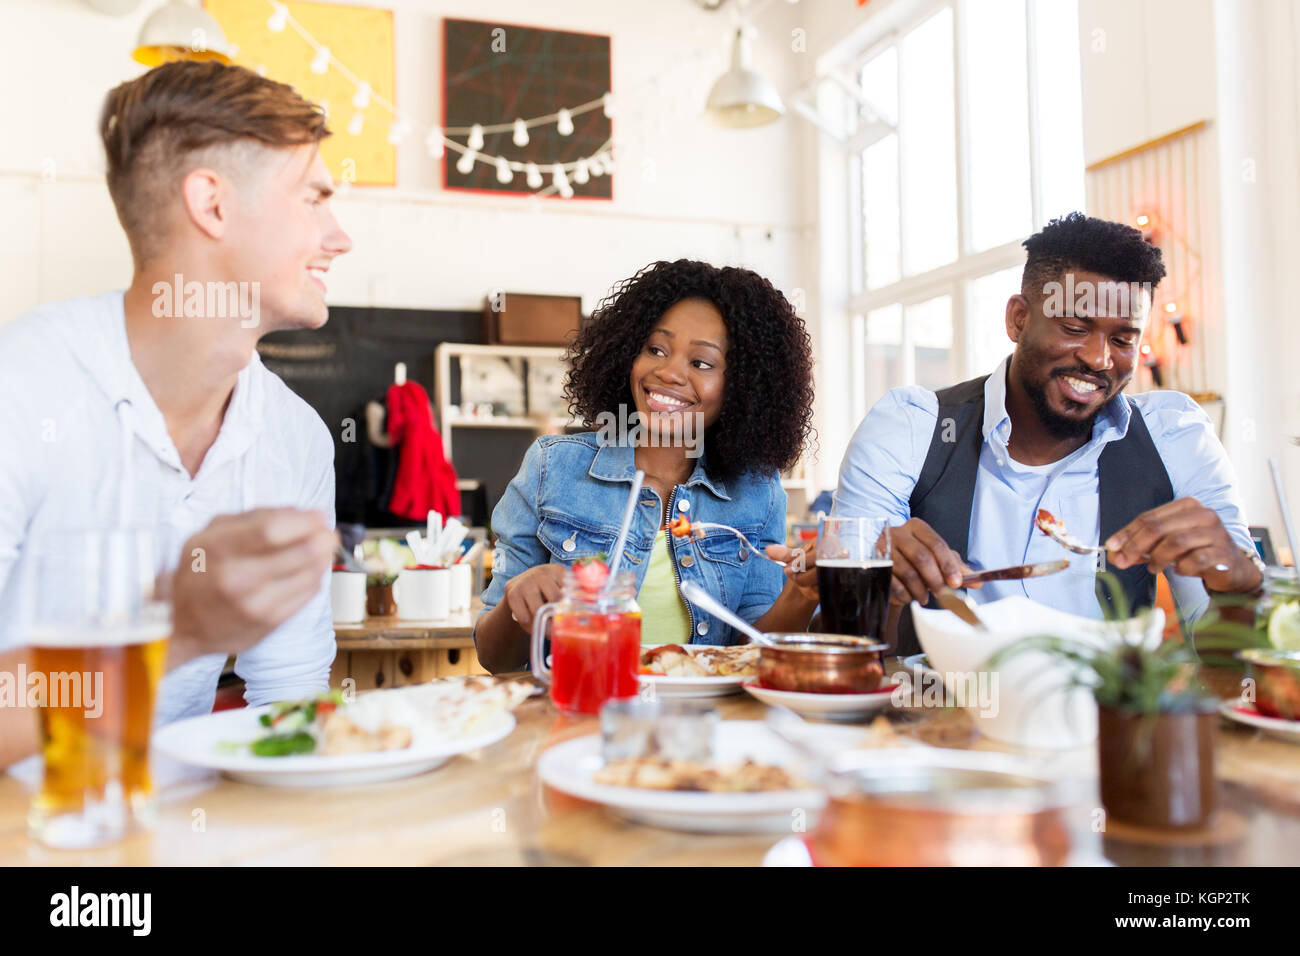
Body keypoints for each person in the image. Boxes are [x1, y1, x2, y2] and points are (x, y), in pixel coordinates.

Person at [0, 60, 352, 766]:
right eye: (313, 198)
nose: (338, 236)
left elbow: (287, 702)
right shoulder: (22, 387)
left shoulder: (294, 439)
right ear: (212, 205)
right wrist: (176, 629)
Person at [833, 212, 1262, 655]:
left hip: (1109, 718)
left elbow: (1231, 657)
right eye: (1075, 328)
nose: (1098, 359)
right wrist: (878, 580)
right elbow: (848, 638)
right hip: (937, 716)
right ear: (1018, 319)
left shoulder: (1175, 438)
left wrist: (1241, 585)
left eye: (1123, 340)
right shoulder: (910, 427)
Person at [474, 259, 819, 673]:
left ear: (743, 386)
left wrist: (802, 595)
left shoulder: (756, 493)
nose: (668, 372)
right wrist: (519, 598)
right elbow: (494, 660)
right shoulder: (553, 468)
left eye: (701, 363)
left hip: (706, 727)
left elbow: (751, 654)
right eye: (655, 349)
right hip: (579, 720)